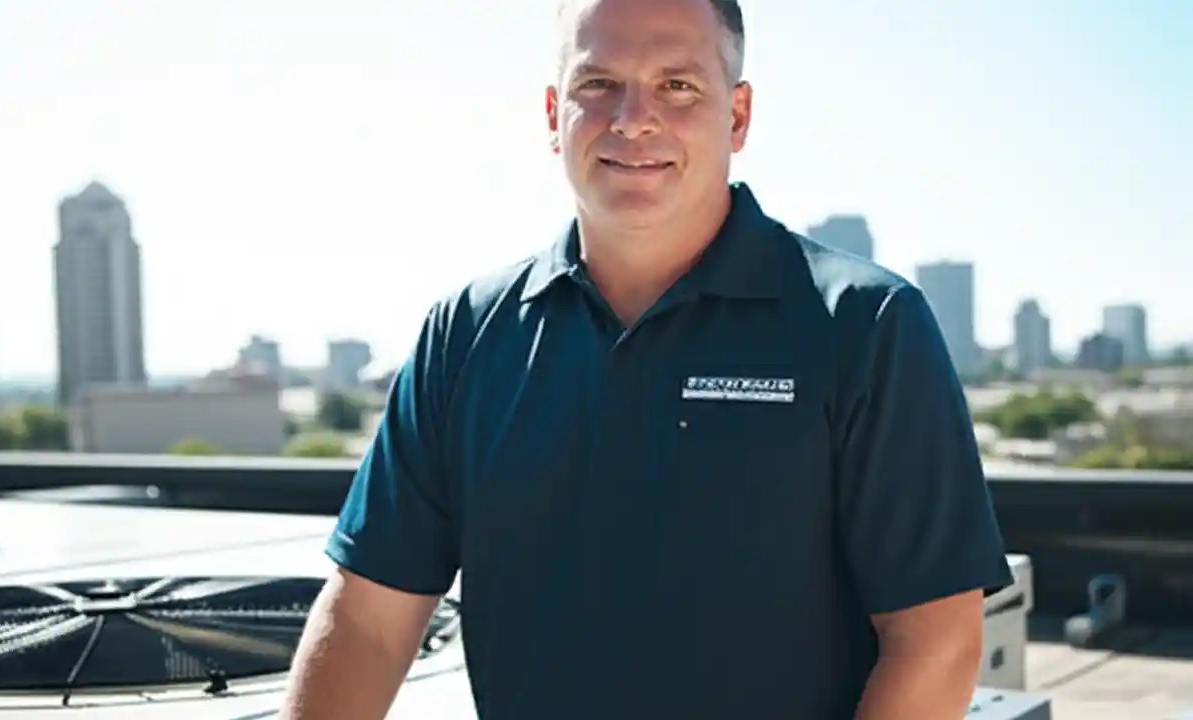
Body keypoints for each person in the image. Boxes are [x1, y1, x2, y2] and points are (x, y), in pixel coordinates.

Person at [281, 0, 1013, 717]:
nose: (633, 119)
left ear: (738, 116)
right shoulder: (467, 334)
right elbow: (371, 620)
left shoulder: (866, 326)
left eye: (678, 85)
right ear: (551, 114)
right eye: (597, 85)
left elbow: (935, 641)